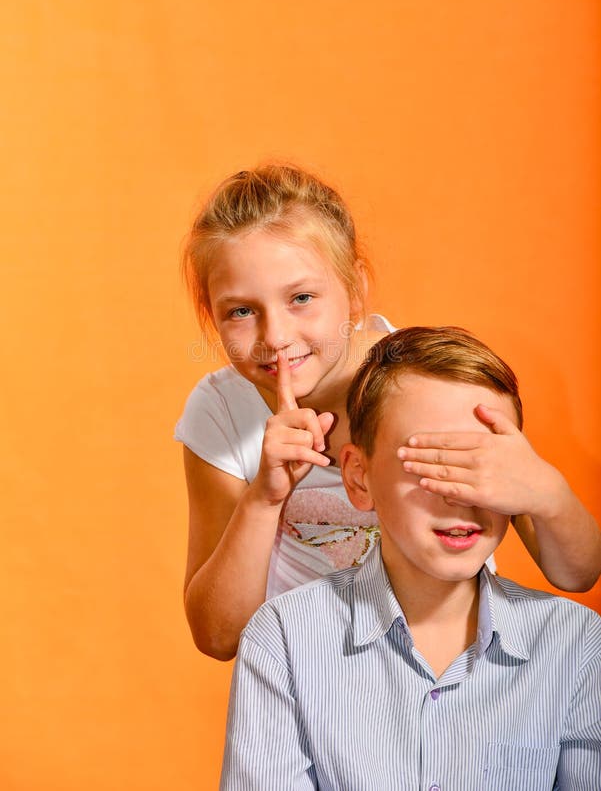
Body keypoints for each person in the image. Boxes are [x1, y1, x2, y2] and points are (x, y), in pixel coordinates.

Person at [175, 164, 601, 660]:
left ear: (354, 290)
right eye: (241, 311)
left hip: (455, 671)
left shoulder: (428, 384)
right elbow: (218, 636)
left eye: (302, 298)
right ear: (212, 314)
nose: (275, 337)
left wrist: (543, 491)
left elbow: (578, 572)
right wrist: (264, 501)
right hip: (315, 688)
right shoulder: (222, 411)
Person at [220, 327, 601, 790]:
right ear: (359, 480)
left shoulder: (576, 645)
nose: (459, 497)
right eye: (427, 467)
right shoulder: (283, 640)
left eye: (484, 468)